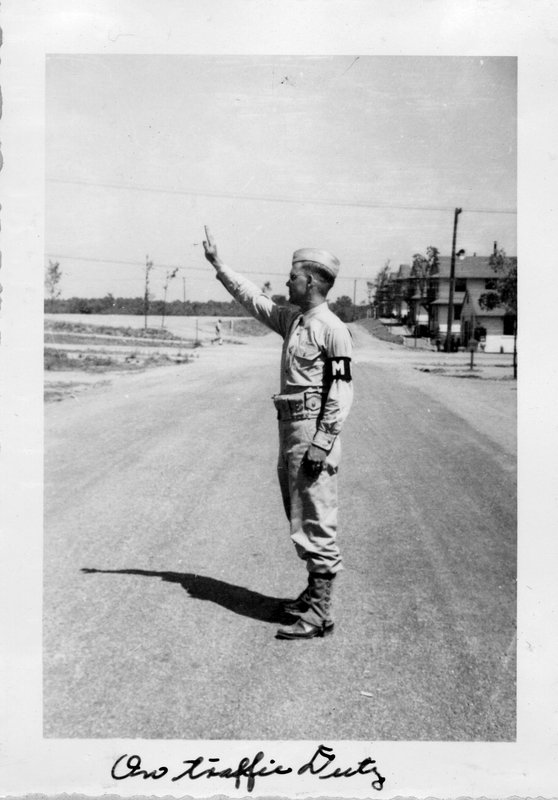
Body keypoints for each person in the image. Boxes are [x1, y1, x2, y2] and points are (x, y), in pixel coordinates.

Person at [202, 226, 353, 640]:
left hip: (311, 432)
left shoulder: (333, 329)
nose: (287, 281)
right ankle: (311, 595)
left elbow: (341, 390)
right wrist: (220, 265)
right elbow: (254, 299)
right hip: (290, 428)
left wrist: (322, 442)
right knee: (299, 512)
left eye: (293, 276)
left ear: (313, 282)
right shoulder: (294, 321)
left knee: (317, 516)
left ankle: (321, 613)